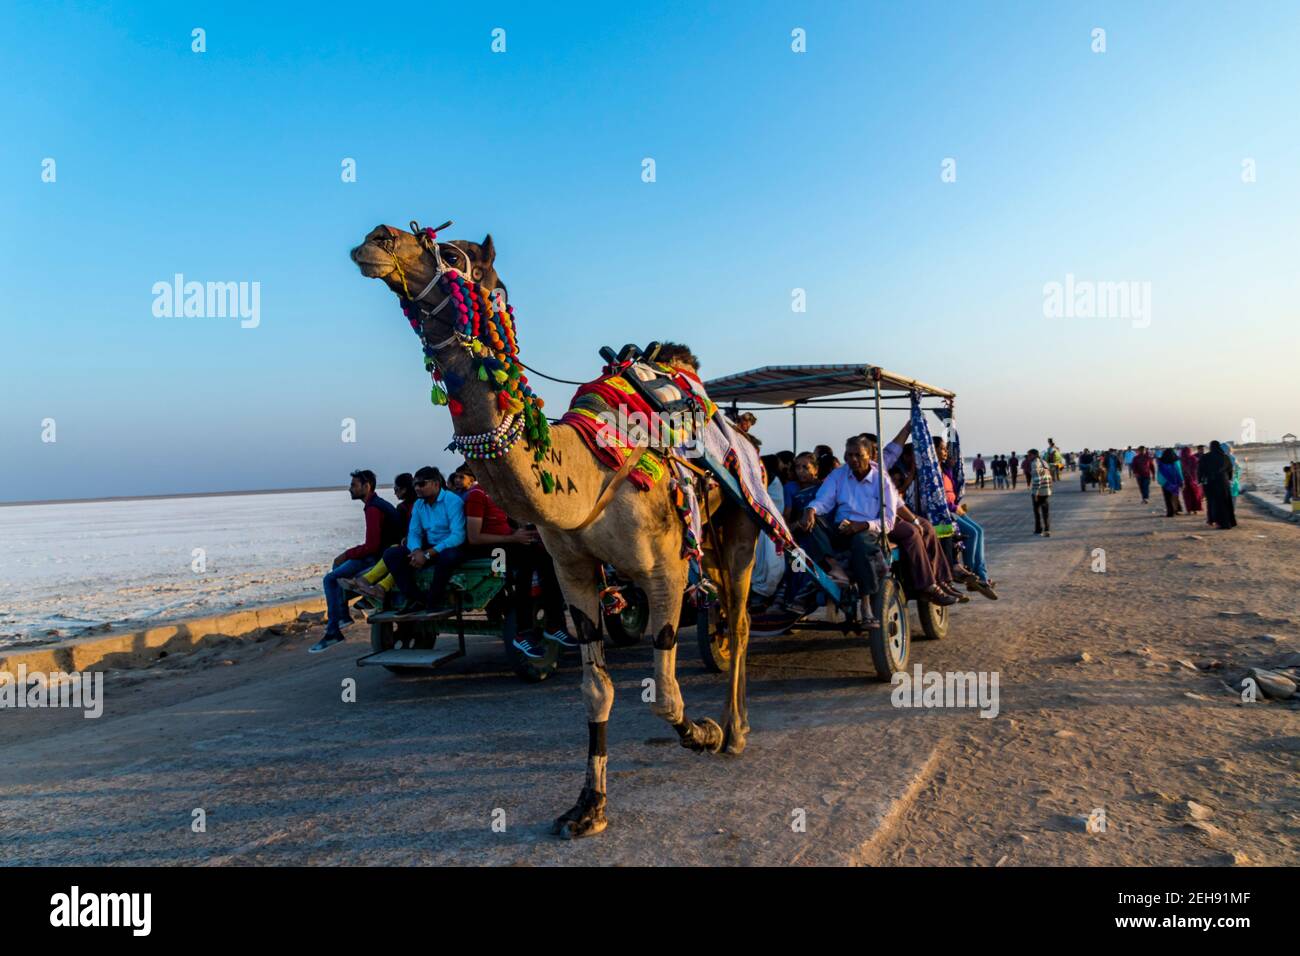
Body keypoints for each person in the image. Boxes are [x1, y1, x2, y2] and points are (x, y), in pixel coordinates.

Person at [796, 437, 959, 627]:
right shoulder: (838, 476)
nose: (853, 459)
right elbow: (824, 500)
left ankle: (866, 603)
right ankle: (834, 567)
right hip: (841, 527)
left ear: (869, 456)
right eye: (849, 455)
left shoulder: (881, 480)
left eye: (858, 455)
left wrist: (863, 525)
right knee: (810, 525)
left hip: (868, 529)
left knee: (863, 542)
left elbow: (888, 521)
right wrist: (811, 510)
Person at [460, 478, 574, 658]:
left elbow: (509, 525)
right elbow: (474, 538)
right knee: (525, 573)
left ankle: (555, 624)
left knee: (550, 558)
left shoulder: (499, 491)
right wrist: (513, 538)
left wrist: (521, 534)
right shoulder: (477, 494)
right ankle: (524, 633)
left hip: (509, 543)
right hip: (492, 548)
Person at [312, 469, 402, 653]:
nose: (350, 489)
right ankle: (343, 616)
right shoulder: (377, 504)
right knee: (337, 570)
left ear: (366, 486)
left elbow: (372, 546)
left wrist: (347, 554)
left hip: (379, 558)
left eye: (354, 485)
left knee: (329, 579)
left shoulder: (373, 507)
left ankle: (333, 631)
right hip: (384, 554)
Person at [382, 466, 467, 614]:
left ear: (435, 484)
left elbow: (458, 536)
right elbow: (414, 532)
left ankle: (433, 601)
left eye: (422, 484)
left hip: (451, 546)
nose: (417, 488)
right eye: (415, 484)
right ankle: (418, 599)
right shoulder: (419, 504)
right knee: (391, 554)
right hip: (429, 546)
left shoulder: (452, 501)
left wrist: (427, 554)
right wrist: (416, 551)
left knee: (448, 557)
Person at [340, 472, 417, 607]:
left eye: (396, 489)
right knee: (393, 552)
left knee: (331, 577)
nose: (394, 493)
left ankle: (344, 614)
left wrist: (347, 554)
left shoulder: (376, 507)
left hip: (407, 548)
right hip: (402, 545)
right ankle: (368, 588)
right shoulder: (402, 506)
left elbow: (372, 545)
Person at [933, 437, 997, 599]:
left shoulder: (944, 469)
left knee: (979, 531)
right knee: (973, 533)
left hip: (954, 509)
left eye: (946, 448)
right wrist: (956, 509)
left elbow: (951, 487)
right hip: (945, 513)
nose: (946, 452)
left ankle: (981, 575)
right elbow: (938, 498)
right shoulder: (931, 472)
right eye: (942, 449)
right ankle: (974, 575)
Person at [1199, 441, 1237, 529]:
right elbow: (1230, 469)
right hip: (1224, 482)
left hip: (1211, 483)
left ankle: (1217, 522)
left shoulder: (1205, 457)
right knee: (1225, 502)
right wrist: (1229, 479)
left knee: (1214, 503)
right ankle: (1228, 522)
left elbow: (1201, 470)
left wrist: (1200, 480)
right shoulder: (1225, 457)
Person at [1026, 448, 1052, 537]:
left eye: (1029, 455)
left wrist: (1036, 493)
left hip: (1039, 491)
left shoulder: (1034, 463)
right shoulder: (1044, 462)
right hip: (1046, 489)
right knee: (1045, 512)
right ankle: (1047, 529)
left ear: (1034, 455)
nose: (1028, 457)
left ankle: (1038, 530)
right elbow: (1049, 475)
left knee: (1037, 511)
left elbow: (1037, 479)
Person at [1156, 448, 1184, 517]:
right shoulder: (1176, 461)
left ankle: (1170, 512)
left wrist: (1160, 481)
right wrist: (1181, 481)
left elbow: (1160, 473)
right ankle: (1176, 510)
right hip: (1175, 482)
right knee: (1175, 497)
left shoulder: (1161, 462)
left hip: (1166, 483)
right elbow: (1179, 471)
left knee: (1167, 498)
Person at [1179, 447, 1204, 514]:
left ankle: (1189, 510)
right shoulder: (1194, 459)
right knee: (1195, 495)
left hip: (1185, 480)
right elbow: (1198, 469)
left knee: (1187, 496)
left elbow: (1179, 471)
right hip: (1194, 480)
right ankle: (1195, 510)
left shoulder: (1181, 460)